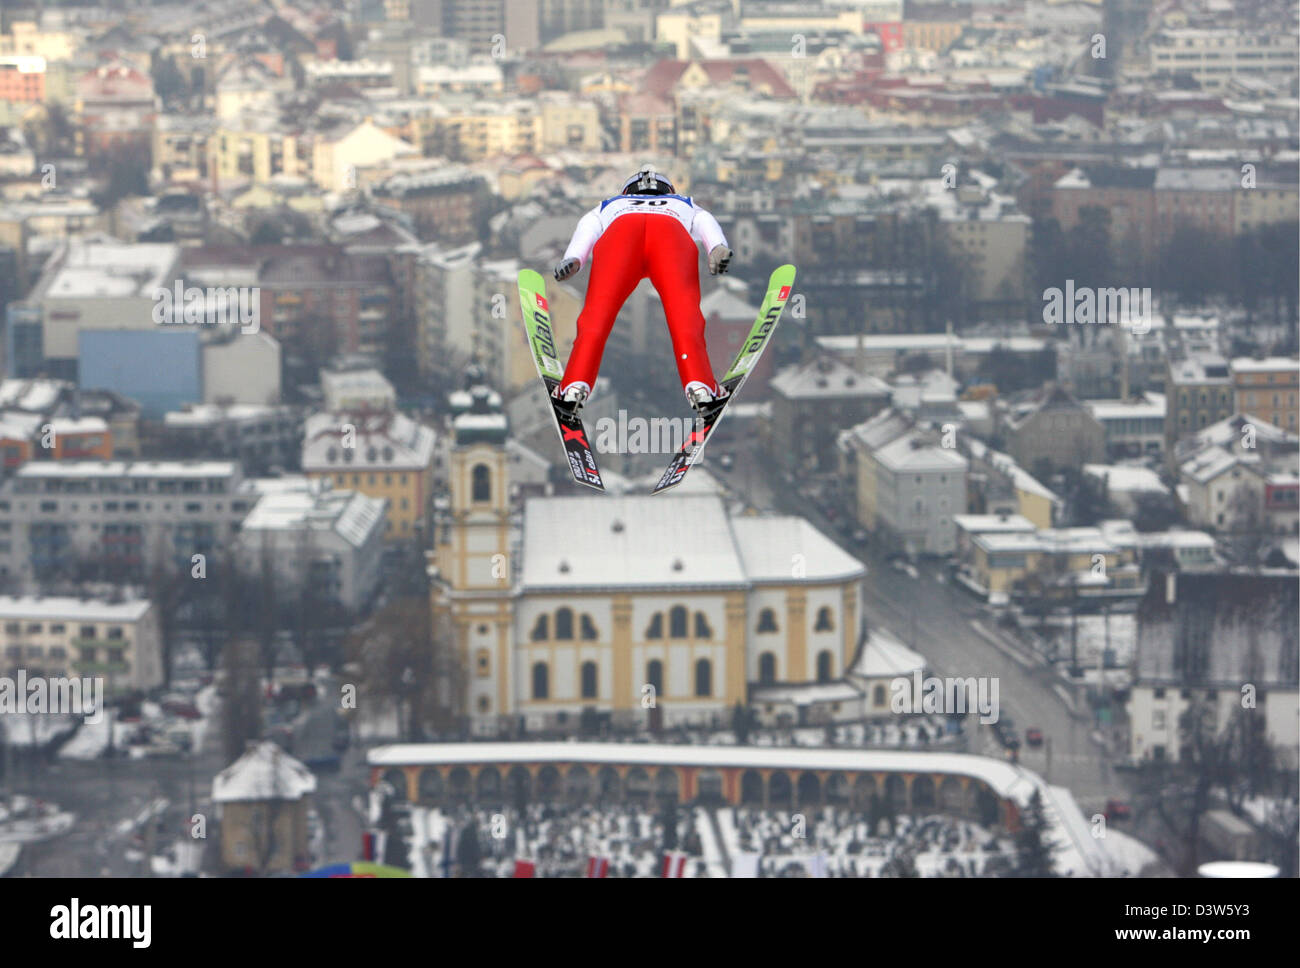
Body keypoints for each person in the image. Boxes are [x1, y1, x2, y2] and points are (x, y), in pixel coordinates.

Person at [552, 166, 733, 412]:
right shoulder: (683, 202)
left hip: (620, 235)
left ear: (628, 190)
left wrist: (574, 258)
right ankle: (701, 388)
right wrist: (716, 247)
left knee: (596, 317)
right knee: (685, 318)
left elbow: (588, 227)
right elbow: (705, 222)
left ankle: (573, 388)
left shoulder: (610, 204)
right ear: (667, 190)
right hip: (670, 236)